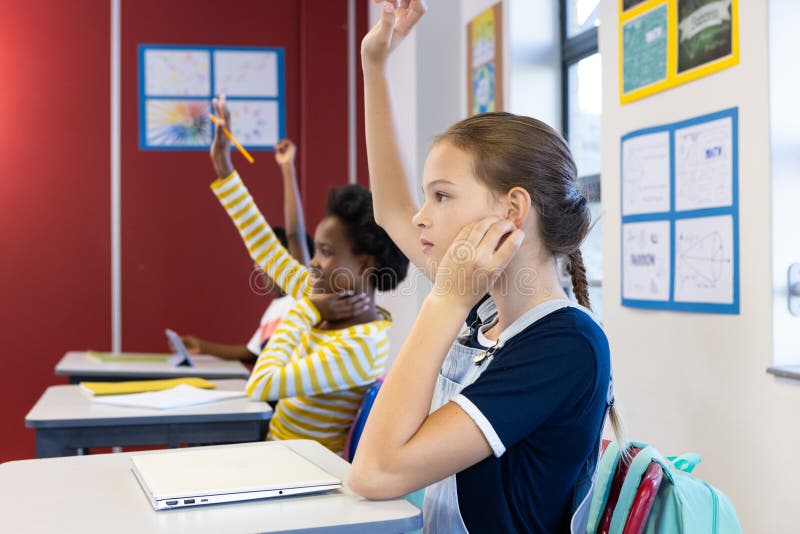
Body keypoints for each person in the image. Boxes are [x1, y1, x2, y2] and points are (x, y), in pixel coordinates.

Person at [348, 2, 623, 533]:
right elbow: (389, 210)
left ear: (512, 211)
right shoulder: (485, 311)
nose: (422, 216)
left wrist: (444, 299)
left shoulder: (565, 344)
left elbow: (377, 471)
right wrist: (374, 66)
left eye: (442, 196)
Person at [207, 95, 410, 453]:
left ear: (365, 264)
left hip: (302, 473)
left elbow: (262, 384)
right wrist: (224, 166)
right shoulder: (324, 295)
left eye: (326, 252)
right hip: (276, 452)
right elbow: (265, 248)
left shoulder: (361, 344)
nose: (313, 262)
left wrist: (305, 310)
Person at [172, 139, 313, 362]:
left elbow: (294, 234)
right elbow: (253, 353)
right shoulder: (279, 306)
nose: (261, 267)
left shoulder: (304, 299)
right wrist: (203, 347)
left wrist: (287, 168)